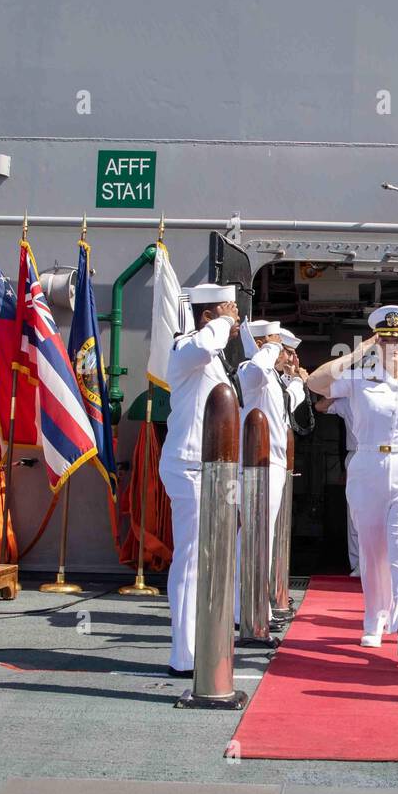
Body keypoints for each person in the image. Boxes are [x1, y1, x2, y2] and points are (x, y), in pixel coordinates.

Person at [306, 306, 398, 656]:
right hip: (368, 464)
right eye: (385, 341)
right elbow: (314, 382)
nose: (392, 347)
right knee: (372, 553)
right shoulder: (359, 379)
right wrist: (358, 352)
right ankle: (374, 620)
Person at [158, 283, 241, 678]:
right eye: (229, 312)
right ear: (208, 316)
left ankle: (204, 643)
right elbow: (204, 346)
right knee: (191, 561)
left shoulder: (216, 357)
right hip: (189, 467)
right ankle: (184, 655)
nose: (236, 319)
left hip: (212, 470)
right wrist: (222, 321)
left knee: (210, 560)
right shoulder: (186, 347)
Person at [235, 319, 291, 626]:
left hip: (272, 462)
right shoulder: (251, 369)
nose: (281, 350)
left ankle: (255, 607)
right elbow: (255, 370)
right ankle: (248, 609)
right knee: (255, 537)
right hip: (258, 464)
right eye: (276, 343)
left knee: (260, 537)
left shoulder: (271, 374)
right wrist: (267, 346)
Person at [315, 393, 361, 576]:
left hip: (388, 454)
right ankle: (358, 564)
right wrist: (340, 388)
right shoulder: (350, 400)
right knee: (355, 514)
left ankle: (384, 564)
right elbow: (320, 407)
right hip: (357, 454)